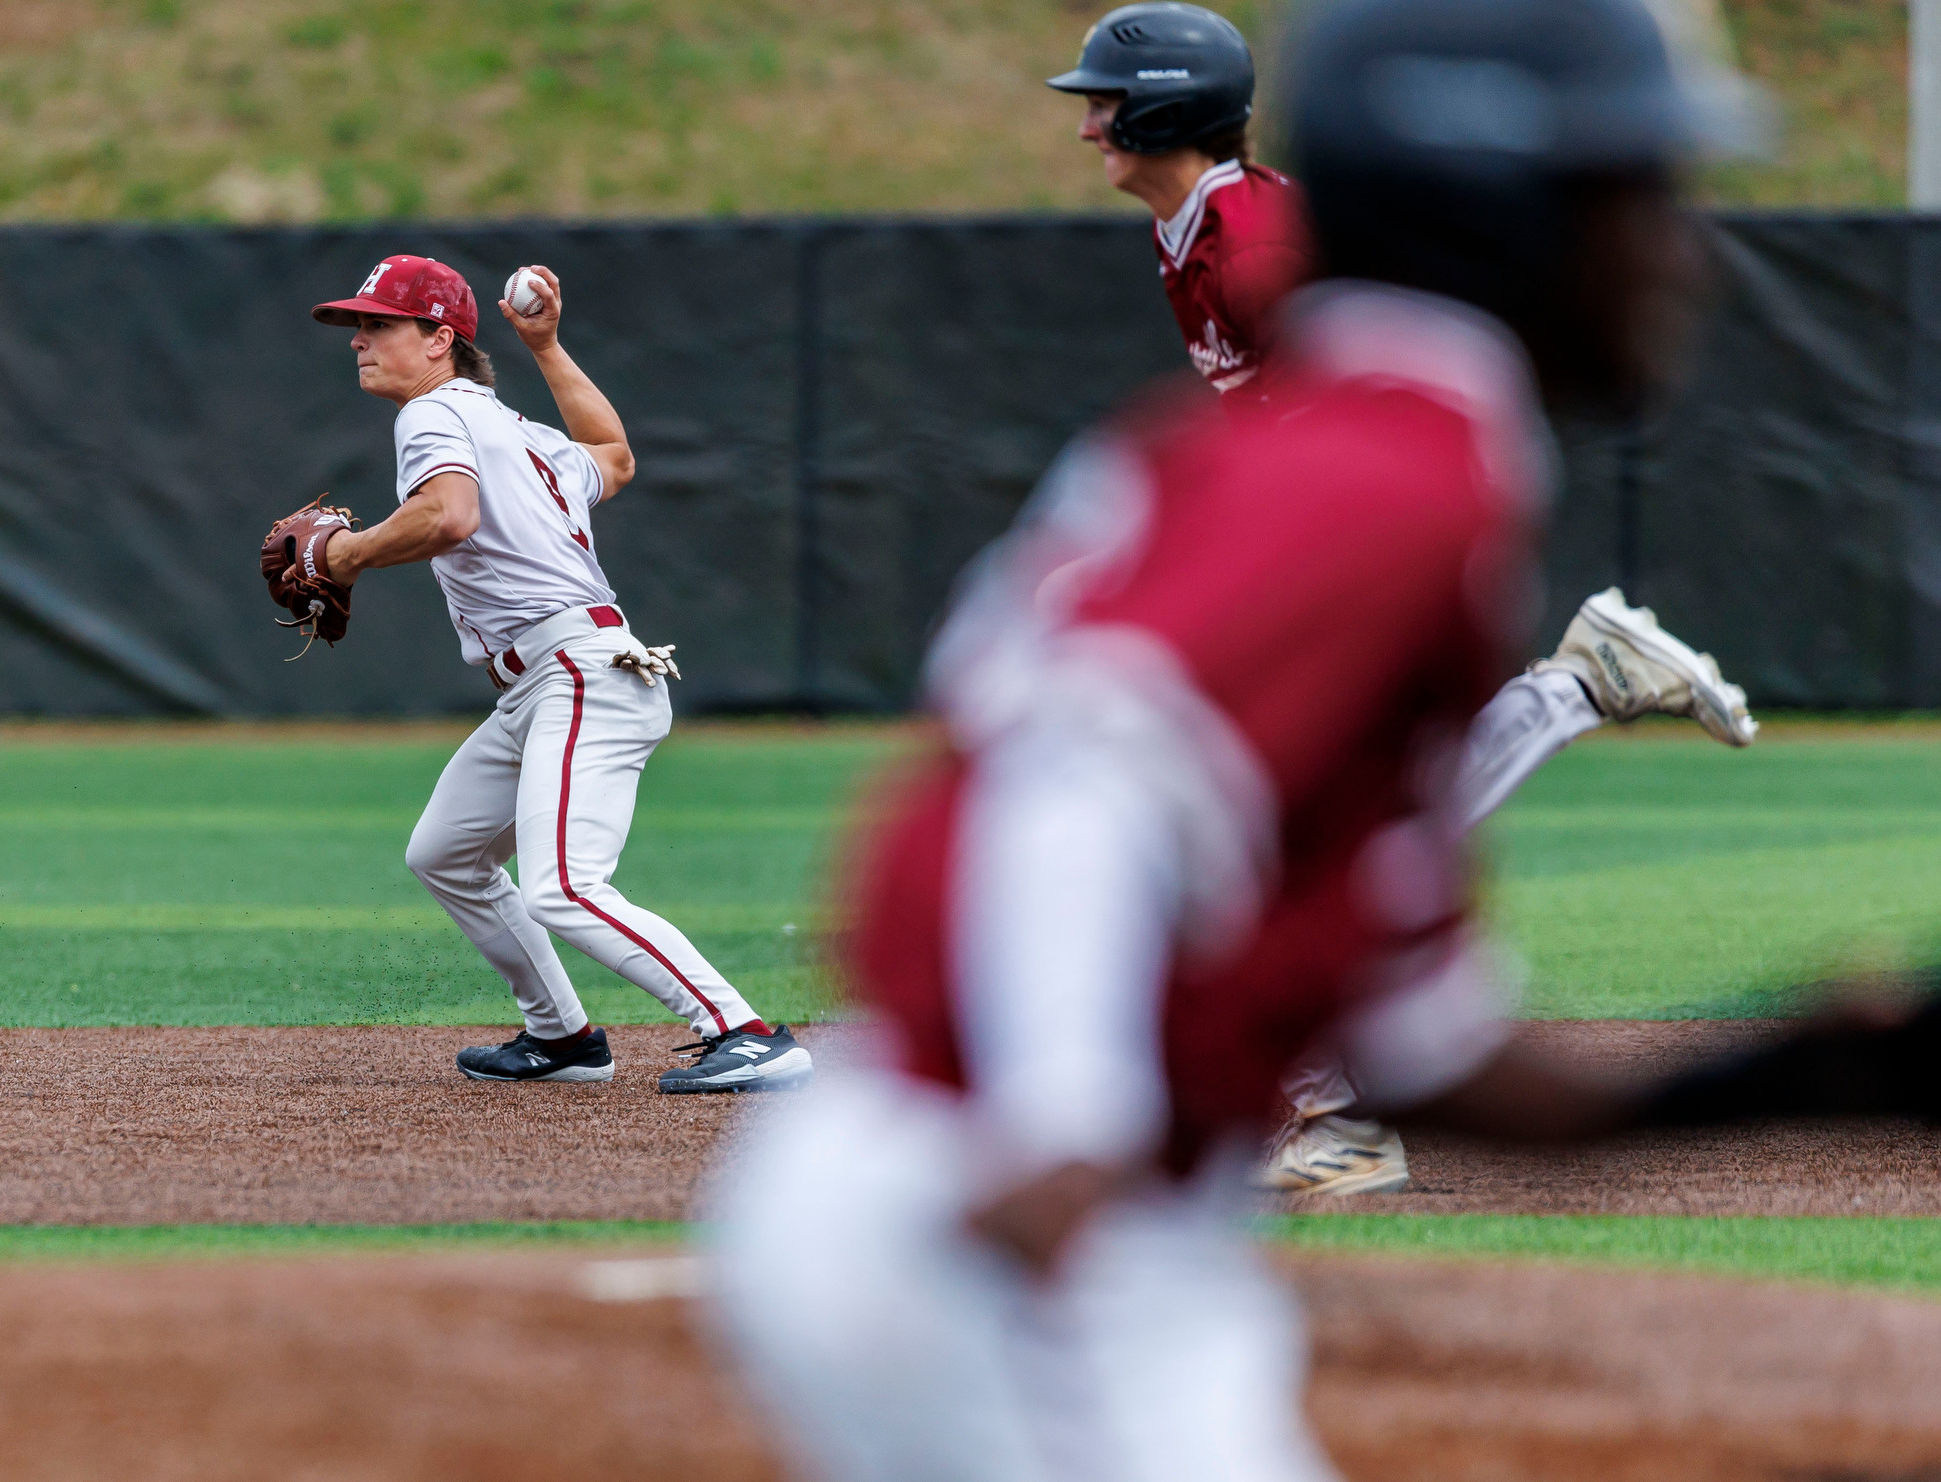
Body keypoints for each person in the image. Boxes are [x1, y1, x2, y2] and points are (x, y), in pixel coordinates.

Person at [703, 0, 1941, 1476]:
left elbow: (1415, 1052)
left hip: (997, 1213)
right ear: (1503, 214)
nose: (1687, 252)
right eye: (1641, 196)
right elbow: (1084, 769)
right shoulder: (1392, 470)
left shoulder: (1386, 444)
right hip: (1004, 1229)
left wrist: (1783, 1080)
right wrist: (1064, 1124)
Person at [1050, 0, 1759, 1194]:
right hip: (1312, 546)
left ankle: (1334, 1111)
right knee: (1323, 820)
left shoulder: (1250, 241)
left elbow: (1343, 413)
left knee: (1311, 824)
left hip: (1330, 549)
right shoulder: (1200, 229)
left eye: (1105, 103)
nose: (1088, 129)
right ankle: (1581, 682)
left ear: (1170, 107)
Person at [305, 254, 812, 1093]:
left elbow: (448, 514)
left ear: (439, 338)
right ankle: (564, 1037)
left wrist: (348, 555)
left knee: (565, 887)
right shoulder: (520, 432)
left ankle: (745, 1030)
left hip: (578, 674)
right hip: (555, 680)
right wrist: (545, 344)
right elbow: (611, 454)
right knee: (446, 852)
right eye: (355, 325)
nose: (358, 340)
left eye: (378, 324)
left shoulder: (433, 417)